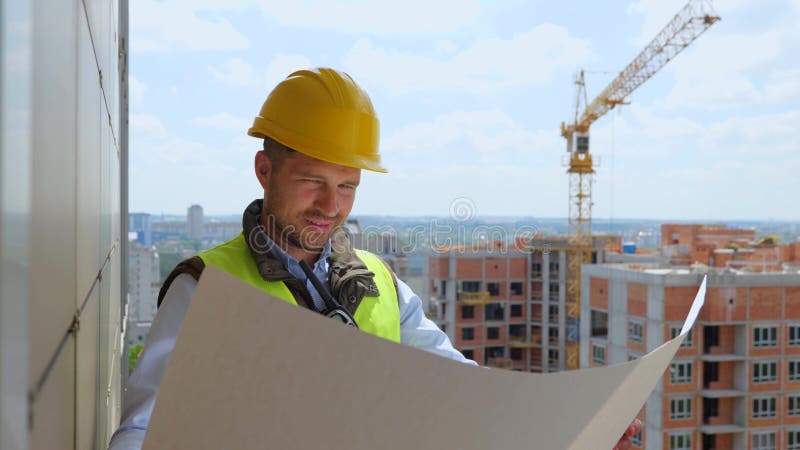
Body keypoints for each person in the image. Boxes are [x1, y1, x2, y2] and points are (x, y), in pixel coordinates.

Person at [107, 67, 641, 450]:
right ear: (265, 171)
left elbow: (469, 396)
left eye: (347, 185)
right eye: (313, 181)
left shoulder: (382, 284)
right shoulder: (205, 287)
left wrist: (582, 429)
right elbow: (141, 434)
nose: (330, 206)